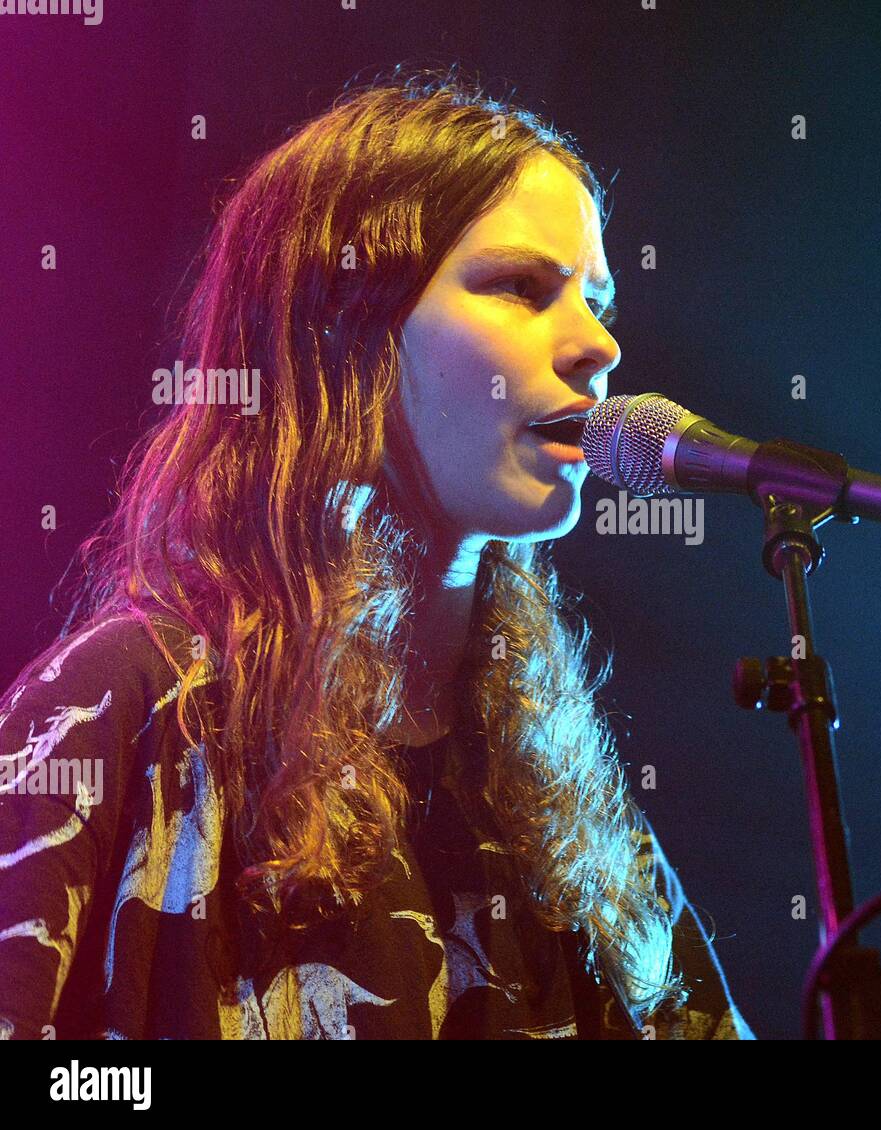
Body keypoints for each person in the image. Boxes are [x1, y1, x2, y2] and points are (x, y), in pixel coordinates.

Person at [0, 66, 754, 1041]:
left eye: (595, 298)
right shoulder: (119, 707)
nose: (597, 344)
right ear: (343, 333)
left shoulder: (566, 803)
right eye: (523, 288)